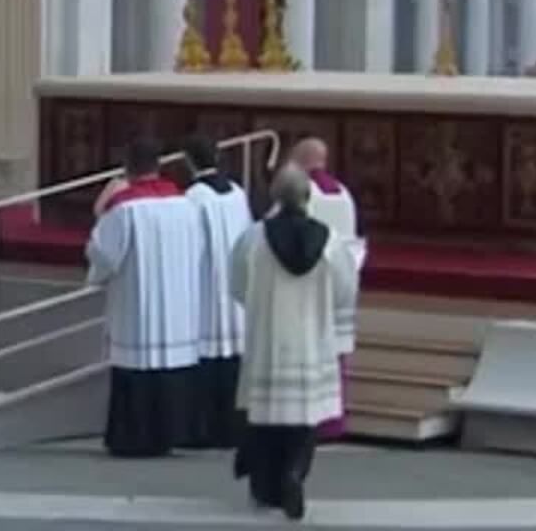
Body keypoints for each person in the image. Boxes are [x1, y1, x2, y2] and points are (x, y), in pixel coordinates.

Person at [231, 164, 360, 521]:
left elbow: (237, 286)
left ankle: (266, 486)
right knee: (304, 420)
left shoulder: (254, 239)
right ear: (308, 198)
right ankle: (294, 473)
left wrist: (261, 303)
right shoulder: (331, 243)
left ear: (275, 197)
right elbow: (345, 291)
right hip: (311, 343)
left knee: (265, 418)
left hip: (268, 342)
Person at [84, 138, 202, 458]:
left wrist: (100, 212)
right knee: (170, 367)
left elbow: (104, 256)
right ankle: (170, 432)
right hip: (177, 306)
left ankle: (134, 437)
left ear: (127, 168)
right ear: (158, 165)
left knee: (136, 366)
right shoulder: (185, 204)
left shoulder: (124, 208)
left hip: (137, 306)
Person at [282, 136, 362, 442]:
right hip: (339, 285)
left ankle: (308, 419)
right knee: (333, 354)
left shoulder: (300, 192)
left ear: (299, 160)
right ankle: (333, 420)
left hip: (306, 287)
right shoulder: (344, 194)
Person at [182, 134, 252, 450]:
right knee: (233, 357)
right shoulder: (238, 192)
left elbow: (189, 245)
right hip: (235, 284)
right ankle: (233, 427)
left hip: (207, 286)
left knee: (208, 359)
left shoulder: (195, 197)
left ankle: (206, 428)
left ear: (187, 161)